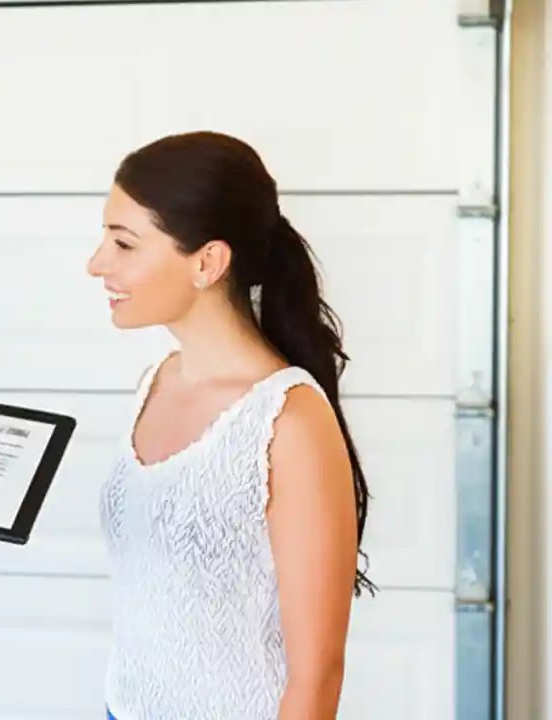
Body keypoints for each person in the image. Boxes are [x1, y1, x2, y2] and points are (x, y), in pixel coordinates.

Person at [86, 131, 375, 720]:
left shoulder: (289, 420)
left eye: (124, 243)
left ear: (208, 262)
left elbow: (316, 675)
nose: (97, 264)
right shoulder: (156, 382)